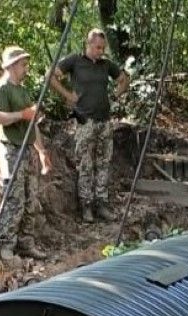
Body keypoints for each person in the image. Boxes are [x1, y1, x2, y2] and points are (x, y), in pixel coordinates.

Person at [52, 29, 129, 223]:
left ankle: (102, 203)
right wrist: (68, 95)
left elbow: (123, 80)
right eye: (97, 48)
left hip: (104, 121)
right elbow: (51, 76)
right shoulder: (75, 61)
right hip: (85, 121)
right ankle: (86, 206)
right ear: (88, 44)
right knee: (85, 164)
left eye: (103, 48)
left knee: (103, 163)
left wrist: (114, 96)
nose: (100, 51)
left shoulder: (105, 64)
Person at [0, 46, 50, 265]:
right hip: (11, 150)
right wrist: (22, 114)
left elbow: (32, 123)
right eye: (23, 65)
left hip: (27, 151)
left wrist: (41, 151)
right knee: (13, 199)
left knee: (30, 199)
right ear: (12, 66)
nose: (26, 68)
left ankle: (26, 243)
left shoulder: (23, 91)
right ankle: (6, 247)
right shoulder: (1, 88)